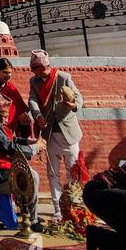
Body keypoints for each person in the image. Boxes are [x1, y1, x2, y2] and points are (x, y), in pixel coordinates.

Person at [0, 89, 45, 230]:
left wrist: (28, 141)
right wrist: (35, 148)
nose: (6, 120)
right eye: (4, 116)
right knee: (32, 177)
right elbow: (7, 146)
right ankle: (31, 218)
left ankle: (28, 214)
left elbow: (8, 138)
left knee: (30, 174)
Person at [27, 49, 82, 221]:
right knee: (53, 173)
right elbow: (32, 100)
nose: (33, 72)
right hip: (49, 133)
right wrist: (37, 115)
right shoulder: (34, 81)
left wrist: (72, 104)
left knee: (73, 171)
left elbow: (79, 99)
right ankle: (58, 208)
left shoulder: (63, 77)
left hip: (68, 132)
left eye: (35, 68)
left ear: (43, 66)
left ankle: (73, 206)